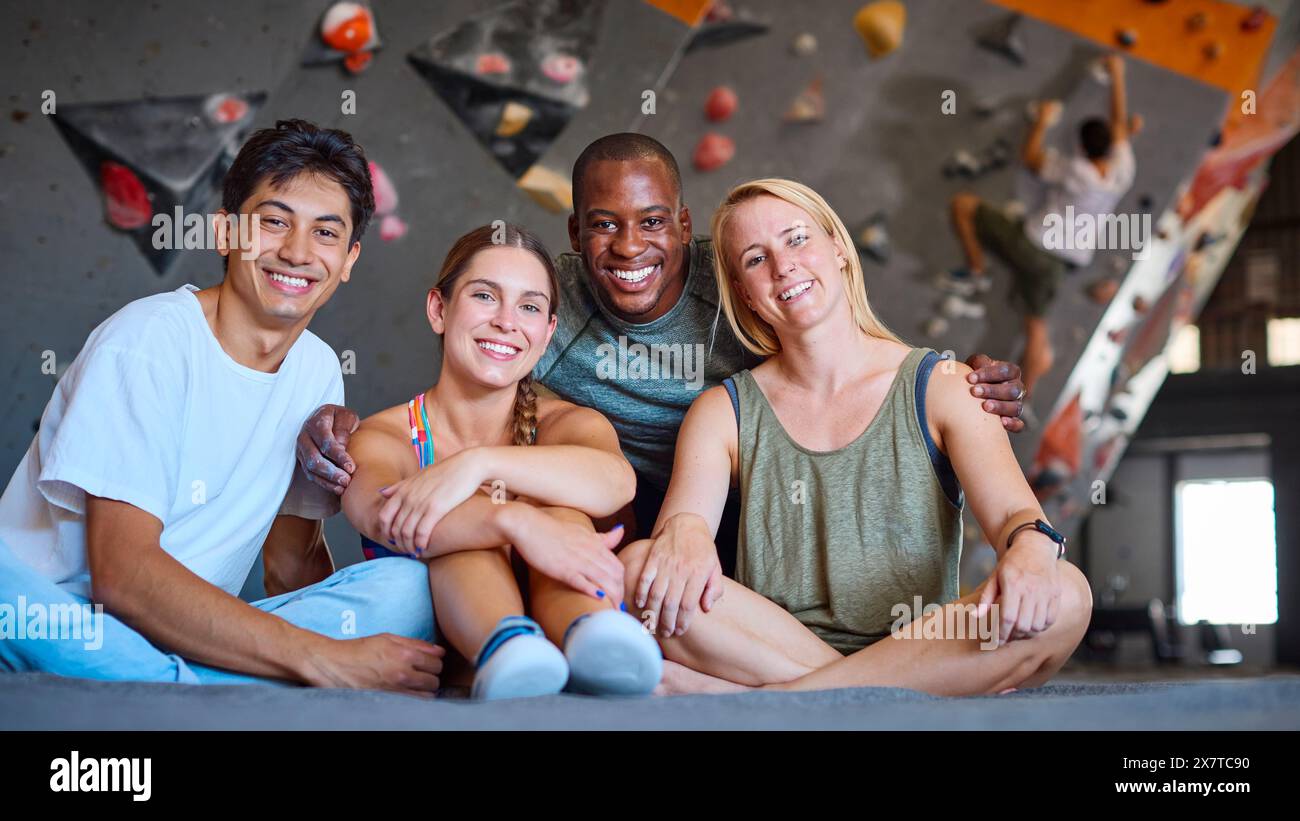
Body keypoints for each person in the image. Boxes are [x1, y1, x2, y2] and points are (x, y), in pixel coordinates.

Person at [298, 133, 1028, 632]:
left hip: (747, 513)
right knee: (554, 517)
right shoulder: (546, 308)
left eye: (652, 221)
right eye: (604, 226)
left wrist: (956, 379)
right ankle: (525, 644)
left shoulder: (745, 274)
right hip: (612, 511)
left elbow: (842, 345)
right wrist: (345, 425)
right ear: (577, 236)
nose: (629, 246)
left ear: (683, 224)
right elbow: (473, 383)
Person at [0, 120, 444, 694]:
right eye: (274, 222)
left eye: (326, 234)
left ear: (350, 258)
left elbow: (289, 568)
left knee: (406, 589)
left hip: (186, 635)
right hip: (65, 622)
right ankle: (204, 689)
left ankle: (180, 686)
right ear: (226, 232)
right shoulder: (148, 340)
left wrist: (338, 475)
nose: (297, 252)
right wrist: (327, 661)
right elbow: (122, 578)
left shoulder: (317, 370)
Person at [618, 178, 1092, 696]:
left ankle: (771, 704)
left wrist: (1029, 547)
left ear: (838, 248)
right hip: (766, 645)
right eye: (756, 259)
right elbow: (678, 539)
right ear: (745, 297)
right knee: (637, 570)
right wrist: (683, 530)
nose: (784, 266)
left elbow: (1014, 517)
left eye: (797, 239)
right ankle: (888, 700)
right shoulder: (722, 412)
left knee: (1067, 593)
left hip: (930, 644)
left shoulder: (944, 386)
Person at [340, 224, 661, 700]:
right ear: (438, 309)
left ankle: (595, 635)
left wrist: (478, 464)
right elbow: (380, 513)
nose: (507, 322)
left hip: (571, 652)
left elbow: (615, 482)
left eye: (529, 307)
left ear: (548, 331)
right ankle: (511, 647)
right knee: (463, 526)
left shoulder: (566, 423)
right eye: (486, 297)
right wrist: (512, 522)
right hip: (449, 672)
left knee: (562, 511)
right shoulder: (387, 435)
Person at [943, 53, 1140, 396]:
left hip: (1033, 243)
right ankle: (1026, 396)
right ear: (1111, 146)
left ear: (1080, 146)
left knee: (963, 205)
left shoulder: (1077, 170)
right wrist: (1118, 76)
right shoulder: (1123, 170)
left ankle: (976, 270)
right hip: (1063, 263)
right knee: (1036, 330)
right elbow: (1120, 122)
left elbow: (1031, 159)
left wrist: (1042, 122)